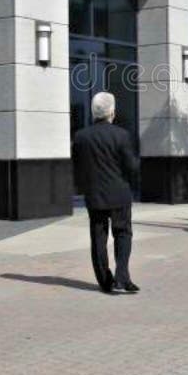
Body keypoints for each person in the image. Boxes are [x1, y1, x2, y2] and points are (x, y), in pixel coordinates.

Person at [72, 92, 140, 294]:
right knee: (123, 234)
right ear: (112, 111)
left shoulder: (81, 136)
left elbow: (77, 166)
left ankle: (105, 281)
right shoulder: (121, 135)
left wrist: (82, 188)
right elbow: (132, 166)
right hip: (119, 193)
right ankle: (122, 277)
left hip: (94, 195)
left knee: (98, 237)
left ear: (94, 112)